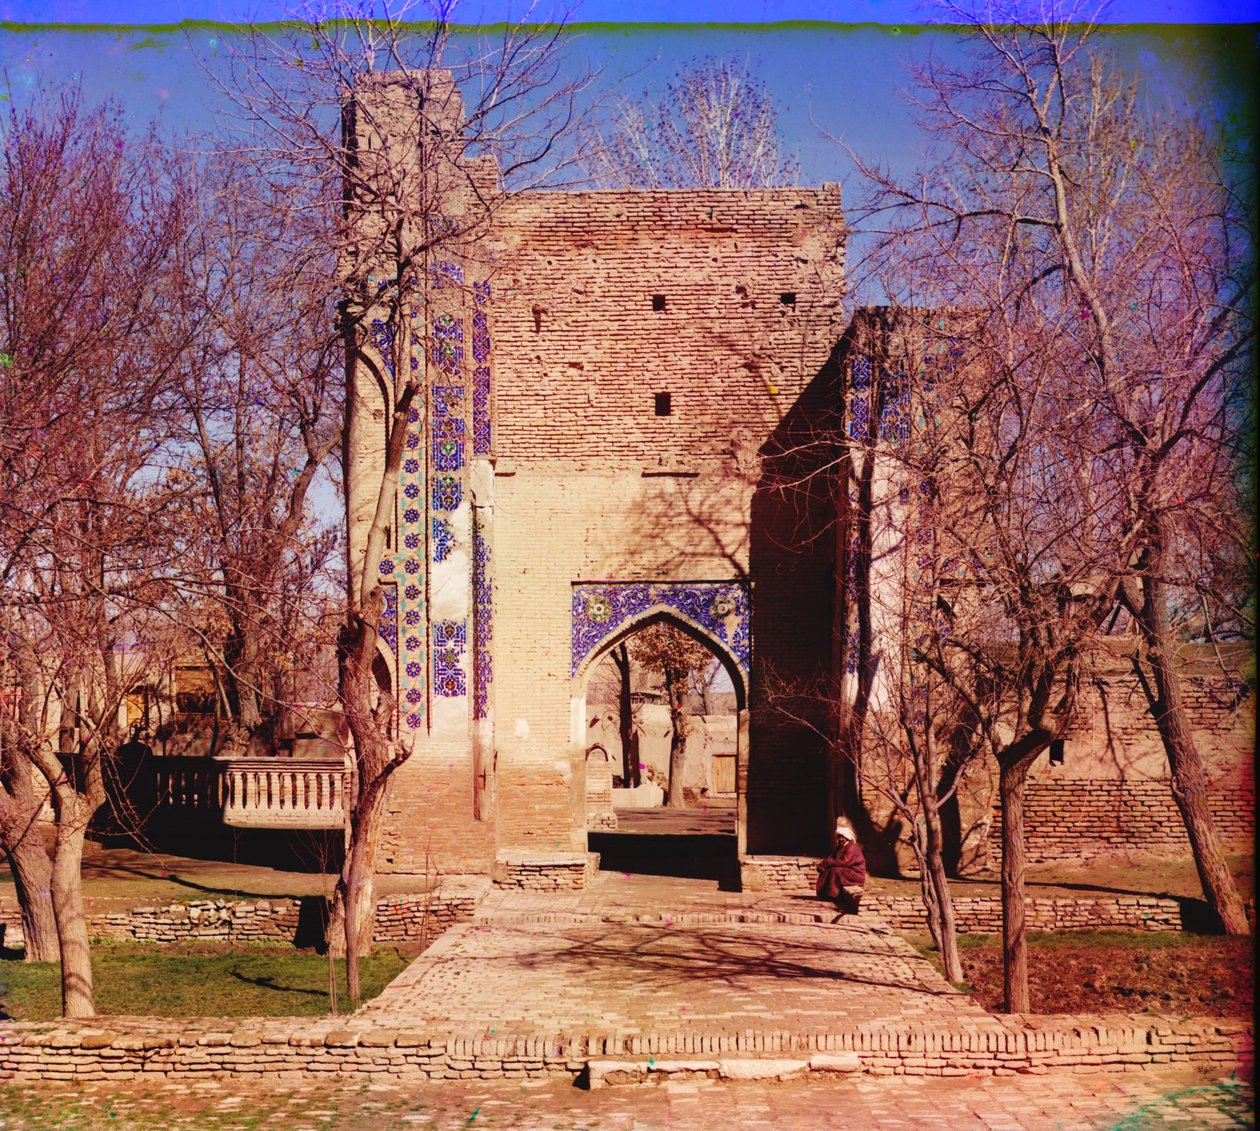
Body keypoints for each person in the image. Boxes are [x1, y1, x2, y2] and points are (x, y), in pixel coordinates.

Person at [816, 817, 867, 918]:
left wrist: (829, 863)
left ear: (847, 838)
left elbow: (846, 862)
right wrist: (824, 864)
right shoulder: (839, 847)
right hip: (846, 871)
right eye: (838, 837)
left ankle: (834, 896)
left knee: (835, 871)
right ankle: (826, 894)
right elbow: (831, 858)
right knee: (828, 870)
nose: (840, 839)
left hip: (855, 874)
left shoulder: (852, 847)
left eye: (842, 837)